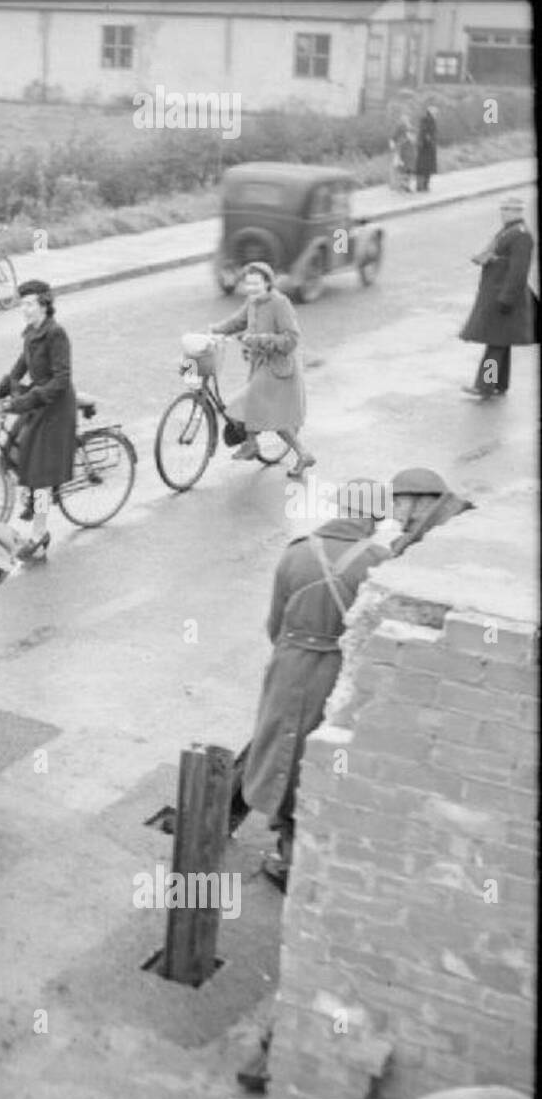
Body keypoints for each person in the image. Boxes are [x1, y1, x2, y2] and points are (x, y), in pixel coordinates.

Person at [239, 480, 390, 889]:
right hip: (341, 670)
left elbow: (275, 624)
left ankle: (288, 853)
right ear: (371, 516)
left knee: (279, 755)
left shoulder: (297, 552)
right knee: (323, 757)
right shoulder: (380, 560)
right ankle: (313, 856)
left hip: (290, 665)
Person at [0, 277, 76, 562]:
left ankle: (39, 535)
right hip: (37, 402)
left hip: (55, 408)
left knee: (41, 477)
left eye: (30, 304)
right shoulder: (31, 332)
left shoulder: (55, 333)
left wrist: (25, 401)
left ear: (45, 306)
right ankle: (32, 498)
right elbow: (20, 367)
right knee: (13, 449)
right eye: (22, 304)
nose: (25, 309)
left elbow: (61, 379)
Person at [209, 261, 316, 479]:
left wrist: (258, 339)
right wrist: (214, 330)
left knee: (250, 401)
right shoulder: (252, 302)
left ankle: (251, 445)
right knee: (271, 418)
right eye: (248, 284)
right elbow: (237, 322)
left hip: (280, 368)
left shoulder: (280, 303)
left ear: (267, 283)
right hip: (262, 366)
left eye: (256, 283)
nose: (251, 288)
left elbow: (291, 339)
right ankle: (303, 454)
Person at [459, 196, 538, 399]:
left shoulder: (521, 235)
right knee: (501, 342)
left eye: (507, 209)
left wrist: (507, 299)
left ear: (518, 211)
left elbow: (518, 272)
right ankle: (500, 384)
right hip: (499, 295)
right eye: (503, 209)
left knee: (495, 343)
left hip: (504, 298)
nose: (503, 212)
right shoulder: (509, 231)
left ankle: (485, 385)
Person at [389, 467, 474, 556]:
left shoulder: (451, 534)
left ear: (421, 504)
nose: (392, 514)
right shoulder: (433, 535)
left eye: (398, 504)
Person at [414, 106, 438, 193]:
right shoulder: (429, 120)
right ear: (431, 112)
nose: (436, 114)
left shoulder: (425, 120)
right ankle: (423, 186)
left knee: (423, 168)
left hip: (424, 147)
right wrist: (431, 142)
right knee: (425, 167)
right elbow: (426, 134)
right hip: (426, 148)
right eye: (435, 113)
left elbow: (423, 133)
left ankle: (422, 186)